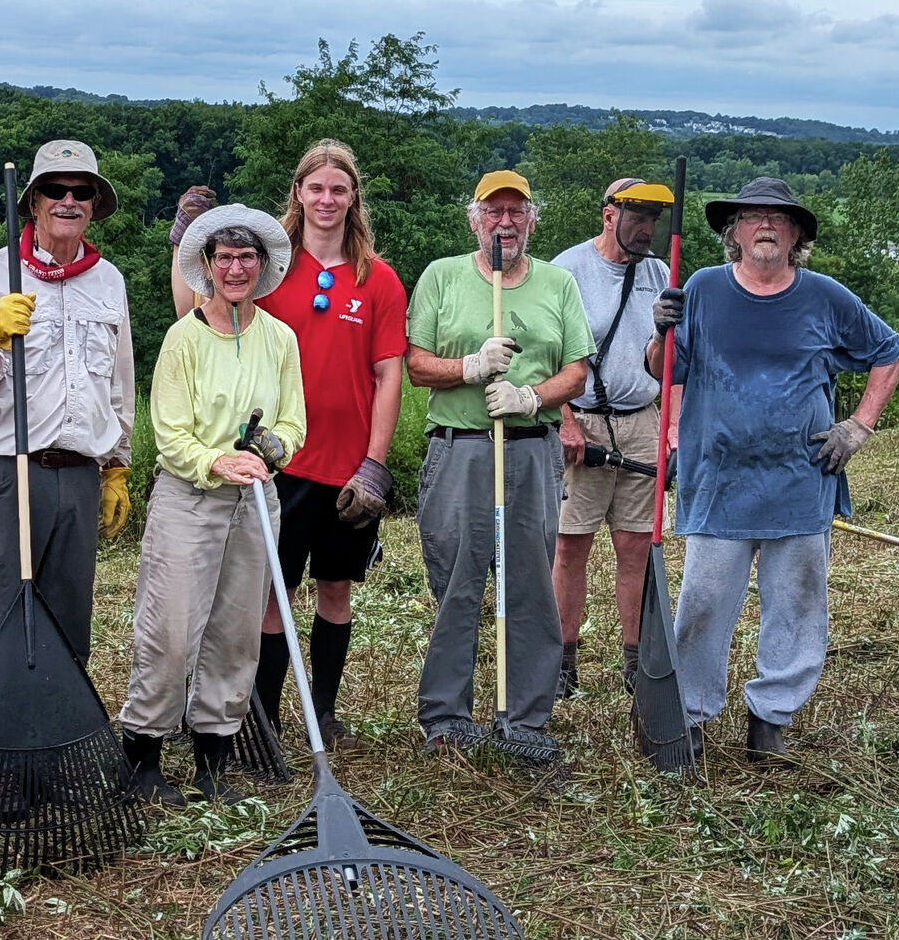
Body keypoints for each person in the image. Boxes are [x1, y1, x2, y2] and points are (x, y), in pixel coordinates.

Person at [647, 176, 899, 762]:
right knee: (704, 605)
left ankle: (770, 722)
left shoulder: (825, 296)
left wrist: (859, 425)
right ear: (732, 233)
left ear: (796, 236)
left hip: (801, 480)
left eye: (779, 218)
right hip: (718, 481)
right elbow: (665, 369)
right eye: (752, 217)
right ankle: (688, 717)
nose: (765, 225)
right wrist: (659, 330)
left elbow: (890, 351)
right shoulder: (703, 290)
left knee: (796, 605)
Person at [0, 140, 136, 673]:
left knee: (69, 622)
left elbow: (119, 386)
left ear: (94, 204)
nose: (68, 201)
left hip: (79, 476)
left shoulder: (109, 281)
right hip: (5, 473)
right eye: (54, 190)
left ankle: (57, 744)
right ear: (33, 201)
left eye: (81, 192)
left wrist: (117, 465)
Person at [406, 171, 595, 753]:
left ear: (531, 221)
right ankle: (446, 717)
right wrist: (468, 367)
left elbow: (577, 369)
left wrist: (531, 397)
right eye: (493, 212)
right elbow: (415, 362)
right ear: (475, 220)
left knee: (530, 584)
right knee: (457, 581)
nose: (504, 223)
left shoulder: (558, 284)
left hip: (530, 451)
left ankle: (525, 719)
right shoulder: (442, 276)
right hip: (461, 448)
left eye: (516, 212)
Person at [123, 206, 306, 805]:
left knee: (235, 633)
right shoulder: (183, 338)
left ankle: (213, 761)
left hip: (256, 500)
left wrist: (272, 450)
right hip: (189, 499)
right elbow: (170, 432)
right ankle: (144, 758)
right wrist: (216, 461)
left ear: (263, 266)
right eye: (223, 258)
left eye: (246, 258)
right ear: (205, 265)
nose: (235, 268)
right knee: (171, 630)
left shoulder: (280, 338)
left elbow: (293, 423)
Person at [244, 142, 407, 748]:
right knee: (274, 596)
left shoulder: (378, 278)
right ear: (298, 194)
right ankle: (264, 718)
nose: (327, 200)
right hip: (283, 462)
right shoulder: (270, 271)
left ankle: (326, 713)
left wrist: (375, 466)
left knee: (335, 589)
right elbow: (209, 319)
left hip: (348, 468)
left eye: (339, 190)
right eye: (316, 189)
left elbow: (389, 373)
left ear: (353, 198)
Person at [549, 177, 676, 699]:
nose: (647, 229)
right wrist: (564, 420)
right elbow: (545, 354)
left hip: (641, 419)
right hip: (581, 421)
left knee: (635, 546)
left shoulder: (660, 273)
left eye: (653, 220)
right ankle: (562, 663)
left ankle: (634, 662)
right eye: (637, 217)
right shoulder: (567, 270)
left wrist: (670, 425)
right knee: (570, 545)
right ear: (609, 215)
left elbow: (670, 361)